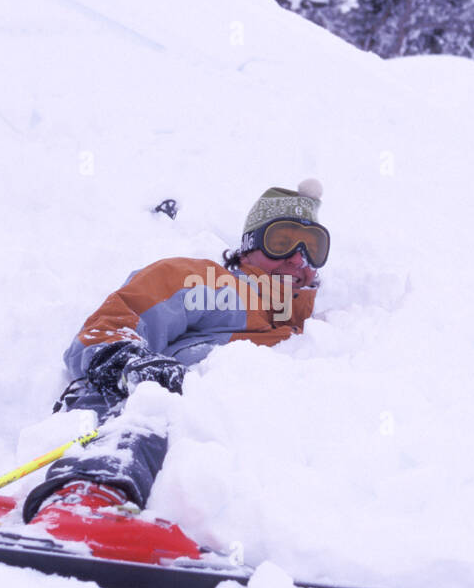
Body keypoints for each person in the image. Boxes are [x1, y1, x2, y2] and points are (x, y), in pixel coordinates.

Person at [21, 179, 329, 527]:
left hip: (225, 465)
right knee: (154, 405)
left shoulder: (318, 336)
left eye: (313, 249)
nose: (297, 258)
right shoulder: (210, 284)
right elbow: (110, 326)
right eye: (281, 242)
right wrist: (130, 364)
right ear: (249, 247)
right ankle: (86, 497)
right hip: (144, 412)